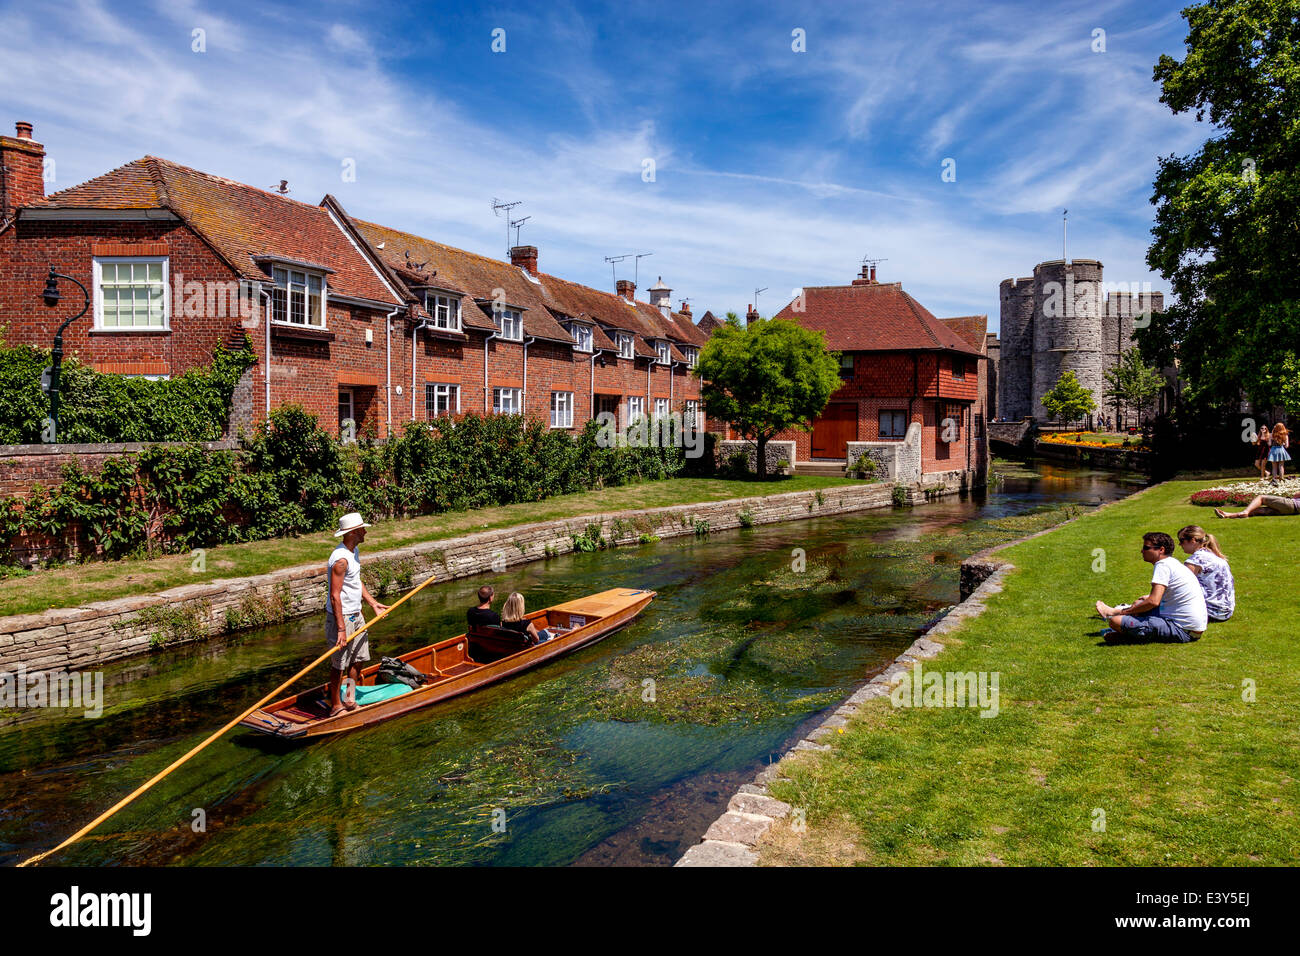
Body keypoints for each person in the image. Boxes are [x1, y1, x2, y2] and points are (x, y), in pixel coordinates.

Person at [325, 512, 389, 716]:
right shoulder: (341, 560)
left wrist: (372, 603)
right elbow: (335, 596)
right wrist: (341, 629)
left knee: (359, 658)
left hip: (356, 615)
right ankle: (336, 706)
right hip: (340, 620)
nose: (365, 531)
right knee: (339, 664)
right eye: (362, 529)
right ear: (353, 532)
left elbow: (355, 582)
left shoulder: (354, 551)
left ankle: (349, 698)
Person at [1094, 531, 1207, 644]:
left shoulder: (1162, 566)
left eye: (1146, 547)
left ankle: (1124, 630)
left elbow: (1153, 601)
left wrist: (1126, 612)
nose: (1142, 551)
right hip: (1190, 626)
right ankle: (1121, 626)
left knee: (1115, 621)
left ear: (1161, 550)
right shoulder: (1172, 563)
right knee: (1140, 604)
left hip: (1182, 630)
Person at [1178, 525, 1235, 622]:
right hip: (1225, 611)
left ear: (1193, 540)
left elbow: (1179, 587)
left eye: (1182, 541)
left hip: (1209, 612)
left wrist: (1155, 598)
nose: (1179, 544)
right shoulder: (1215, 556)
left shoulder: (1195, 561)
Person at [1215, 492, 1300, 518]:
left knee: (1261, 498)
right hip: (1293, 511)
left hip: (1292, 504)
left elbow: (1295, 495)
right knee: (1258, 511)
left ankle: (1245, 511)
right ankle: (1228, 515)